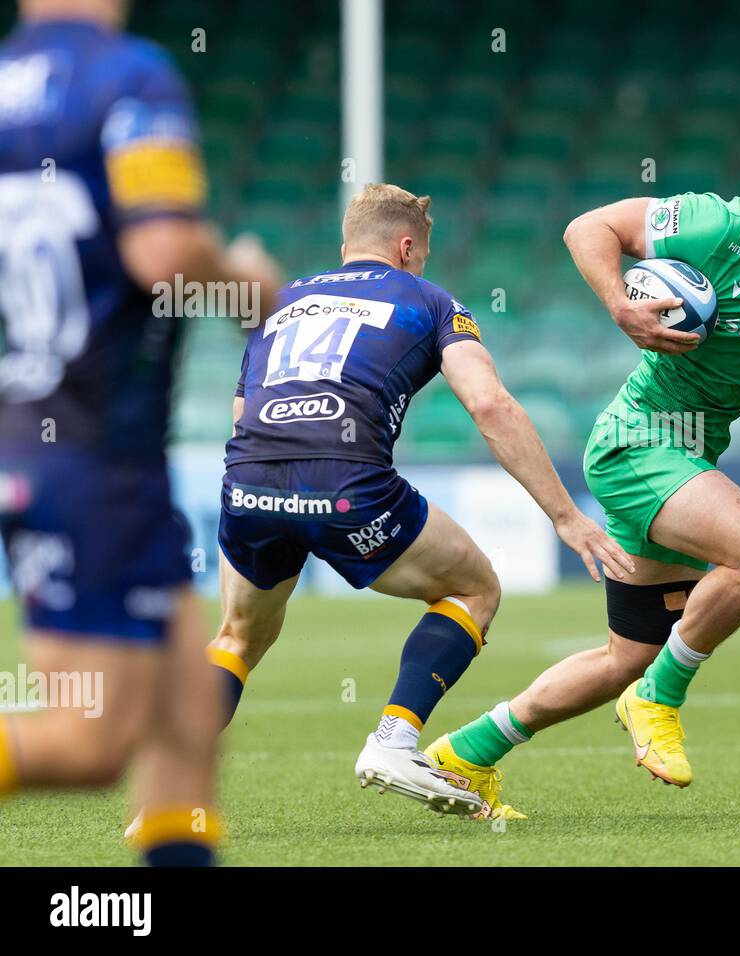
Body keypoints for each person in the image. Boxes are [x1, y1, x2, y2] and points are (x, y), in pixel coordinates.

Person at [434, 111, 740, 806]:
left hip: (692, 451)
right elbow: (590, 227)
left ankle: (464, 753)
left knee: (623, 659)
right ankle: (659, 700)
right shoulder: (713, 224)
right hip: (639, 440)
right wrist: (618, 302)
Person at [201, 182, 633, 819]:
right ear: (407, 248)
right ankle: (395, 740)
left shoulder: (283, 299)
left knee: (237, 638)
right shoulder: (432, 303)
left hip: (248, 481)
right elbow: (489, 405)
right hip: (347, 484)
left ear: (347, 246)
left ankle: (168, 783)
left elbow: (244, 415)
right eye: (422, 254)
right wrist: (565, 516)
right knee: (474, 588)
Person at [0, 0, 281, 865]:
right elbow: (161, 255)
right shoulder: (128, 77)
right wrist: (244, 278)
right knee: (91, 745)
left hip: (40, 431)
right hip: (95, 451)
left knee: (188, 715)